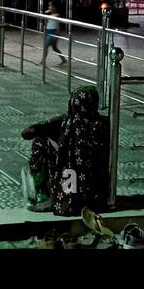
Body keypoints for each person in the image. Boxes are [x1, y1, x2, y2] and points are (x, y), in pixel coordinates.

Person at [21, 85, 110, 215]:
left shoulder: (66, 122)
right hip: (97, 191)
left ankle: (48, 196)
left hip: (70, 184)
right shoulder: (104, 123)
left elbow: (26, 133)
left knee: (41, 141)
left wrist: (51, 126)